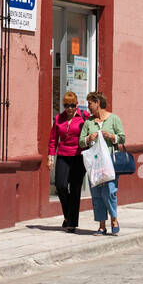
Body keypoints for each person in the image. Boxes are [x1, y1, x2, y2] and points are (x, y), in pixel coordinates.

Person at [79, 91, 125, 235]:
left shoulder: (114, 119)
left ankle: (114, 219)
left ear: (97, 103)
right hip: (95, 163)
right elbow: (81, 142)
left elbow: (122, 138)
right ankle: (101, 225)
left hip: (110, 161)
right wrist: (88, 139)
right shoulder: (89, 122)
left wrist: (111, 136)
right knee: (97, 194)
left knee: (110, 191)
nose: (88, 107)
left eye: (90, 104)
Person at [48, 91, 88, 232]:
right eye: (66, 105)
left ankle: (71, 223)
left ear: (77, 104)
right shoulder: (59, 119)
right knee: (61, 186)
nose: (69, 108)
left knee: (75, 189)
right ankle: (67, 216)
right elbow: (53, 139)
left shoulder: (84, 116)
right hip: (63, 156)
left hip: (79, 156)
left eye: (72, 105)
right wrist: (51, 157)